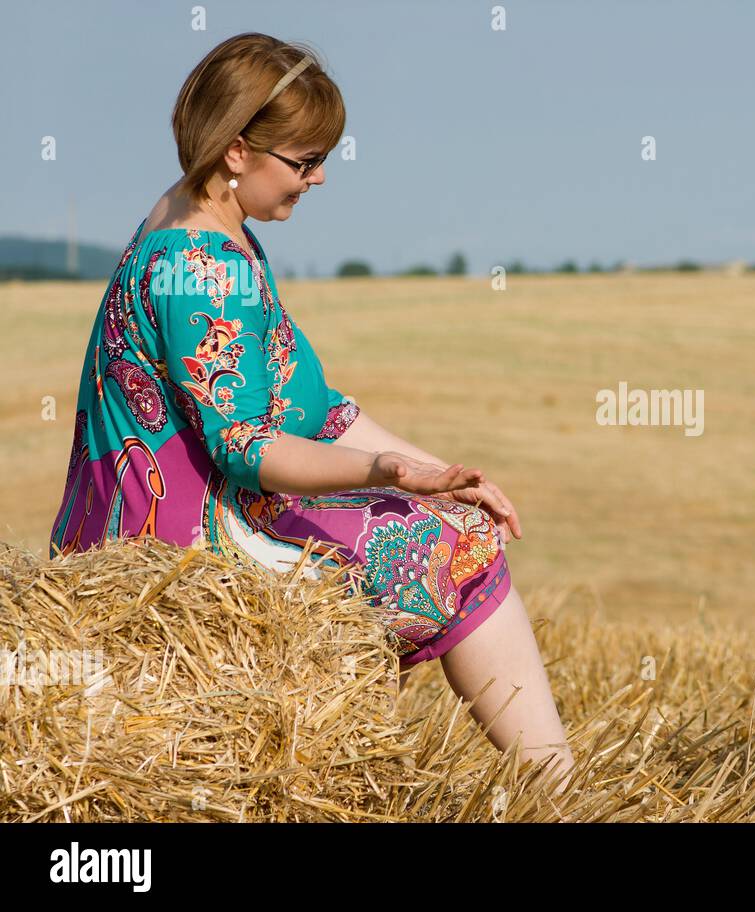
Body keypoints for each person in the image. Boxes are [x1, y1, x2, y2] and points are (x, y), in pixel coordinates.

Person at [47, 32, 574, 794]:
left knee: (445, 517)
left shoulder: (186, 222)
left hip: (132, 533)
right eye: (304, 160)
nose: (321, 177)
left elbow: (314, 408)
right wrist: (389, 474)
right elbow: (248, 448)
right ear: (236, 150)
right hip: (183, 554)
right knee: (459, 548)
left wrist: (434, 474)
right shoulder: (206, 271)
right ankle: (557, 790)